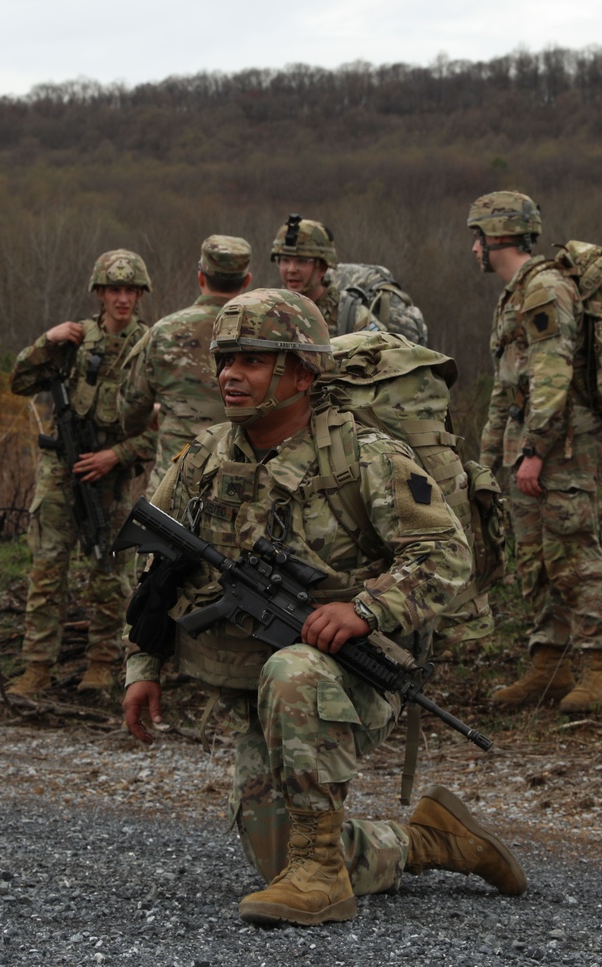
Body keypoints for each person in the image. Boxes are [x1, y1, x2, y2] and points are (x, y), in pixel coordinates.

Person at [122, 289, 527, 926]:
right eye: (226, 359)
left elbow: (448, 557)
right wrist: (143, 666)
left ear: (304, 373)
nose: (230, 374)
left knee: (297, 672)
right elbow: (155, 569)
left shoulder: (364, 457)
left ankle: (320, 881)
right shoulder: (201, 459)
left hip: (354, 670)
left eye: (254, 361)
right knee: (273, 852)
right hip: (257, 682)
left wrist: (366, 610)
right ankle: (435, 839)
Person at [469, 190, 602, 712]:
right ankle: (551, 664)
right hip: (527, 436)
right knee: (534, 555)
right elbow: (506, 384)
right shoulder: (515, 293)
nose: (474, 249)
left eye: (478, 237)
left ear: (495, 238)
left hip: (562, 442)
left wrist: (536, 448)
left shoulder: (545, 289)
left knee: (571, 550)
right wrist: (489, 458)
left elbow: (554, 373)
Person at [6, 249, 157, 697]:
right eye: (114, 290)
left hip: (111, 476)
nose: (123, 299)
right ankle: (36, 668)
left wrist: (117, 456)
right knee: (47, 571)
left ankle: (102, 665)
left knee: (110, 576)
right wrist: (46, 342)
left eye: (131, 290)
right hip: (60, 471)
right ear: (99, 292)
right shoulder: (73, 339)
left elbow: (169, 429)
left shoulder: (150, 345)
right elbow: (19, 382)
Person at [118, 234, 253, 495]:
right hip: (241, 492)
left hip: (172, 490)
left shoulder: (163, 332)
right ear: (247, 281)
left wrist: (157, 413)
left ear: (200, 277)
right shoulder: (266, 338)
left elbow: (129, 416)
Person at [269, 214, 374, 336]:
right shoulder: (269, 310)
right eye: (285, 260)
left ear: (322, 268)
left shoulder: (352, 315)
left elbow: (381, 351)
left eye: (302, 261)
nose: (291, 269)